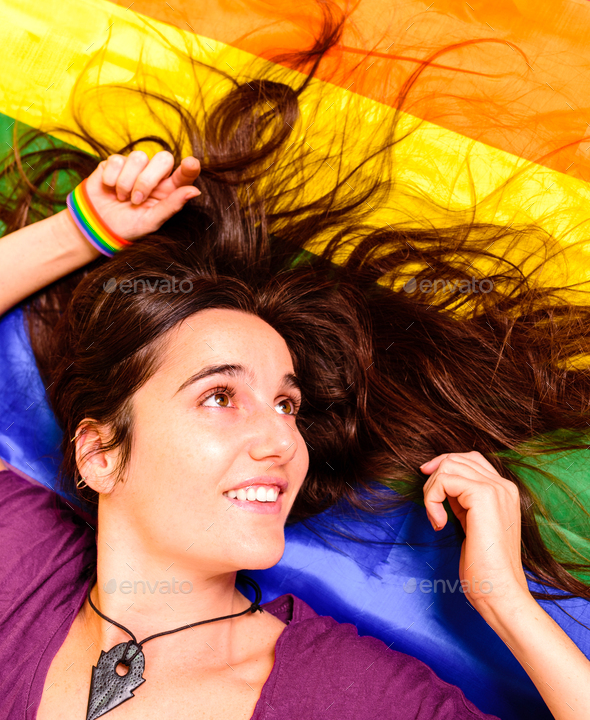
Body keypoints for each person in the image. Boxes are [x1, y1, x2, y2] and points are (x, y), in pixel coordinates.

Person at [0, 147, 589, 720]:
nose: (283, 440)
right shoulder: (22, 568)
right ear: (101, 454)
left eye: (287, 405)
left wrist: (506, 600)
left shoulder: (350, 694)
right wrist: (81, 231)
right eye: (220, 396)